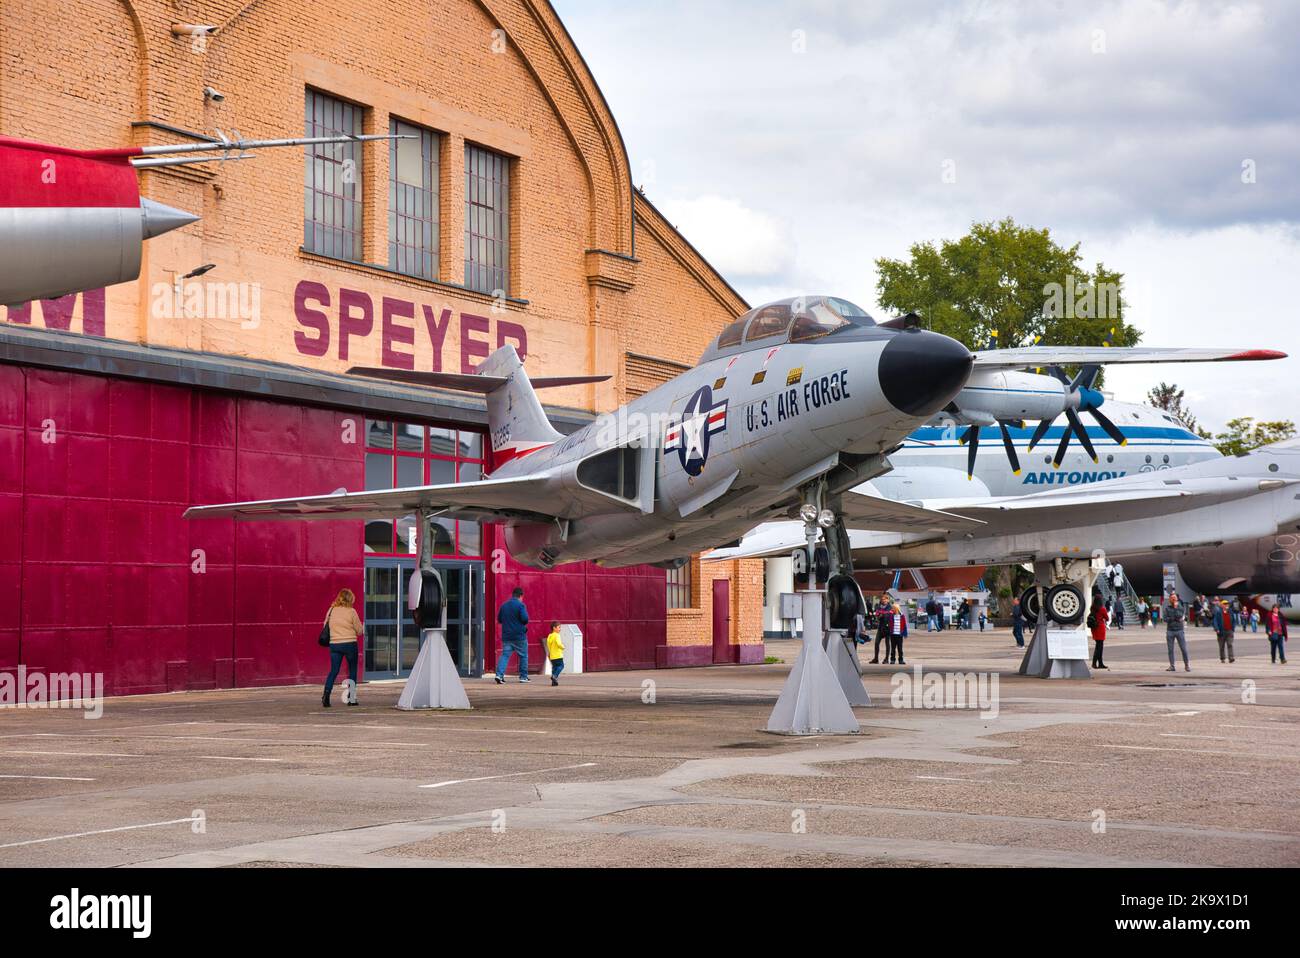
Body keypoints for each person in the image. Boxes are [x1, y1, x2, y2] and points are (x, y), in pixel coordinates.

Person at [322, 587, 363, 708]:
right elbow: (359, 631)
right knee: (352, 671)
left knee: (334, 671)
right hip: (350, 644)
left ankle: (326, 695)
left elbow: (325, 625)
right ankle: (351, 699)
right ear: (350, 599)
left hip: (335, 645)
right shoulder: (352, 611)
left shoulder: (332, 610)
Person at [495, 586, 531, 684]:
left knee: (505, 656)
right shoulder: (521, 605)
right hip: (519, 636)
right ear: (520, 596)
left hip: (507, 636)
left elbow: (499, 619)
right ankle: (523, 677)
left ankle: (499, 675)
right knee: (523, 656)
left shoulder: (504, 606)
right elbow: (525, 619)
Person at [1164, 592, 1190, 672]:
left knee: (1183, 649)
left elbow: (1179, 616)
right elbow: (1165, 619)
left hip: (1179, 630)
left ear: (1177, 599)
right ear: (1170, 599)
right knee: (1170, 650)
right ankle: (1172, 666)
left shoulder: (1180, 607)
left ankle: (1187, 665)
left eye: (1175, 598)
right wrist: (1173, 618)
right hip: (1170, 631)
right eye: (1172, 598)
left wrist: (1175, 610)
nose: (1173, 599)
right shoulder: (1167, 608)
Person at [1212, 599, 1236, 664]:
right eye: (1225, 604)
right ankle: (1222, 658)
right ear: (1222, 605)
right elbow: (1215, 621)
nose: (1226, 605)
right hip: (1221, 632)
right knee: (1221, 646)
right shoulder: (1218, 612)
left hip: (1229, 631)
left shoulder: (1230, 612)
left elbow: (1233, 620)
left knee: (1230, 644)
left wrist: (1233, 629)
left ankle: (1231, 658)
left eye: (1227, 604)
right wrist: (1216, 629)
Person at [1089, 591, 1109, 669]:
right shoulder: (1102, 609)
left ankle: (1100, 663)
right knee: (1099, 647)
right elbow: (1107, 618)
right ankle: (1095, 663)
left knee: (1098, 646)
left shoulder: (1092, 608)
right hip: (1100, 628)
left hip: (1094, 628)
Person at [870, 597, 891, 664]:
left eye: (885, 599)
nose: (883, 600)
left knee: (887, 644)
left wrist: (882, 614)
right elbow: (877, 614)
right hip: (880, 627)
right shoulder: (879, 606)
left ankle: (886, 659)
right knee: (876, 643)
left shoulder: (890, 606)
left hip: (887, 628)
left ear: (888, 600)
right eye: (882, 599)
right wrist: (880, 615)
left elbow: (889, 614)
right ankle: (876, 659)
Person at [545, 621, 565, 686]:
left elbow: (548, 644)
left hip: (552, 656)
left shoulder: (550, 636)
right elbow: (559, 644)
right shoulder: (557, 635)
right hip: (558, 655)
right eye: (559, 627)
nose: (560, 629)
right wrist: (563, 647)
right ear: (554, 628)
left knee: (554, 668)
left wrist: (550, 652)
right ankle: (555, 676)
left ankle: (554, 682)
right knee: (561, 666)